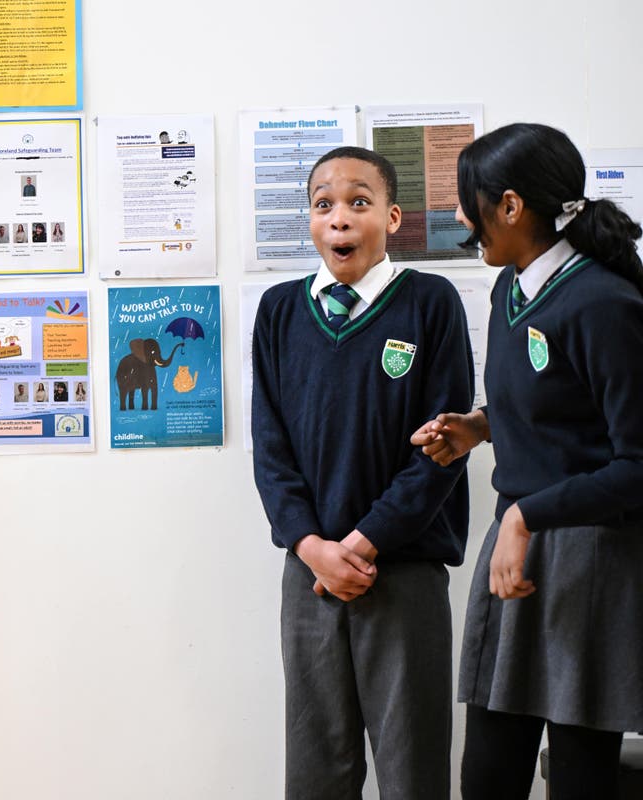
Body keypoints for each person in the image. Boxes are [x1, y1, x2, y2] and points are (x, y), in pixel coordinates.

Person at [411, 123, 643, 800]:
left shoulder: (604, 303)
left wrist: (525, 518)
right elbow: (561, 407)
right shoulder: (509, 289)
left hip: (591, 565)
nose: (459, 216)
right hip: (517, 547)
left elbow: (635, 463)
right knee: (487, 775)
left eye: (467, 200)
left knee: (579, 778)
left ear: (511, 206)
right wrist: (480, 427)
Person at [251, 146, 474, 800]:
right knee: (318, 766)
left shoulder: (430, 303)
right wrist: (313, 545)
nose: (339, 219)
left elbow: (443, 448)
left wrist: (365, 540)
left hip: (399, 571)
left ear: (393, 217)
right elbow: (270, 447)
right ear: (310, 222)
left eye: (358, 202)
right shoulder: (280, 311)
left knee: (412, 768)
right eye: (324, 205)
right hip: (311, 573)